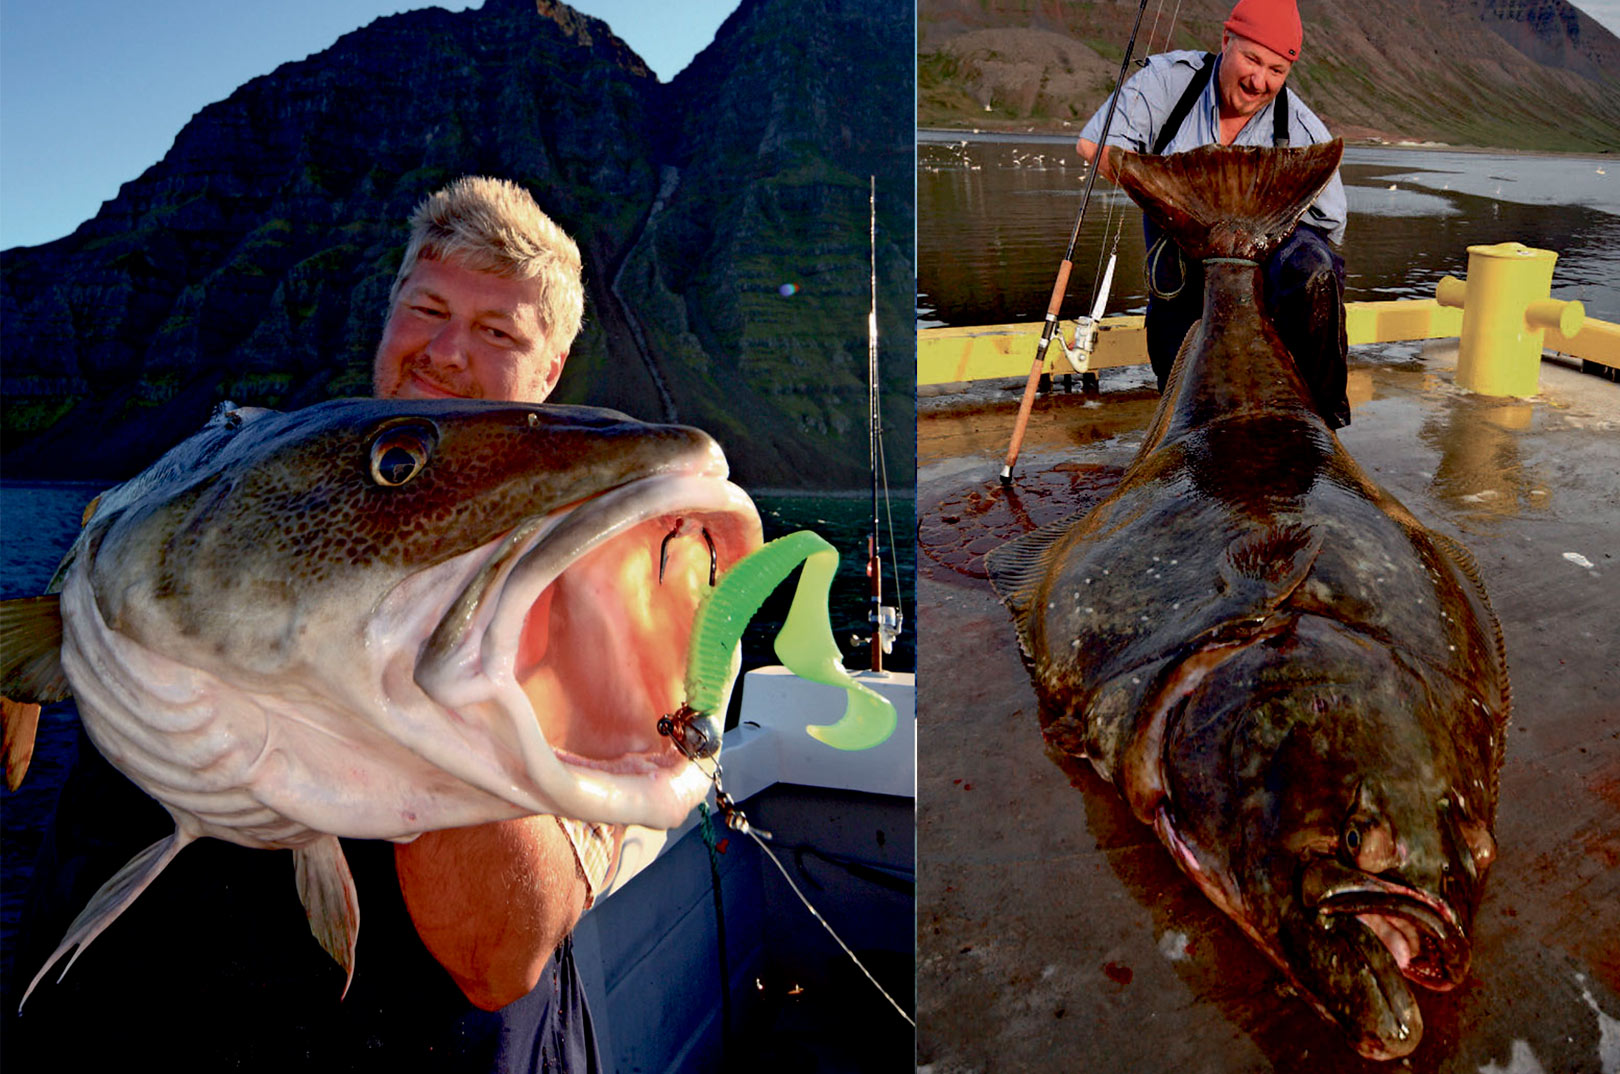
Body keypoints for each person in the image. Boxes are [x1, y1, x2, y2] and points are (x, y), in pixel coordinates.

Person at [4, 177, 615, 1073]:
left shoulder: (616, 596)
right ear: (388, 314)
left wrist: (431, 621)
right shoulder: (253, 466)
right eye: (428, 310)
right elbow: (112, 523)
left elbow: (497, 955)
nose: (446, 353)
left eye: (497, 333)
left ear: (551, 371)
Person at [1077, 0, 1352, 428]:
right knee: (1180, 387)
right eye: (1252, 59)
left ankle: (1323, 425)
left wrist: (1254, 244)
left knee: (1315, 269)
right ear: (1226, 41)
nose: (1260, 80)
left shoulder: (1301, 128)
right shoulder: (1166, 83)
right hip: (1179, 254)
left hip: (1265, 259)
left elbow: (1331, 223)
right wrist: (1185, 212)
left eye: (1276, 71)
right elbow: (1094, 147)